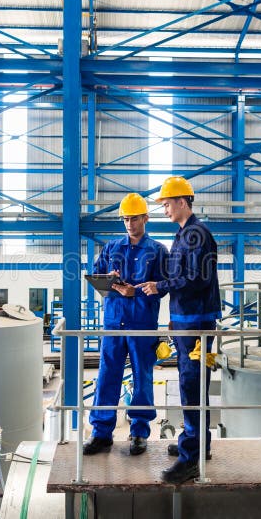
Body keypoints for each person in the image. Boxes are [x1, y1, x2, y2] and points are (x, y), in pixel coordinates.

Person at [137, 176, 221, 484]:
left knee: (192, 385)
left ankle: (191, 459)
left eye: (167, 204)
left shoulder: (196, 235)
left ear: (183, 201)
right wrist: (173, 316)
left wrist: (160, 285)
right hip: (187, 319)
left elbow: (196, 280)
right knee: (193, 384)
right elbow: (185, 280)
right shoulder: (185, 234)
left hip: (197, 322)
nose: (165, 209)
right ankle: (198, 445)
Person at [83, 192, 169, 456]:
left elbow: (165, 286)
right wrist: (108, 278)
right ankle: (101, 433)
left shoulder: (157, 251)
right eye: (125, 219)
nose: (129, 224)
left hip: (142, 323)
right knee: (107, 375)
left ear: (145, 218)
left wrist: (137, 292)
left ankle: (139, 432)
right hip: (113, 321)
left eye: (134, 218)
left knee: (143, 376)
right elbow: (97, 275)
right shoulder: (112, 247)